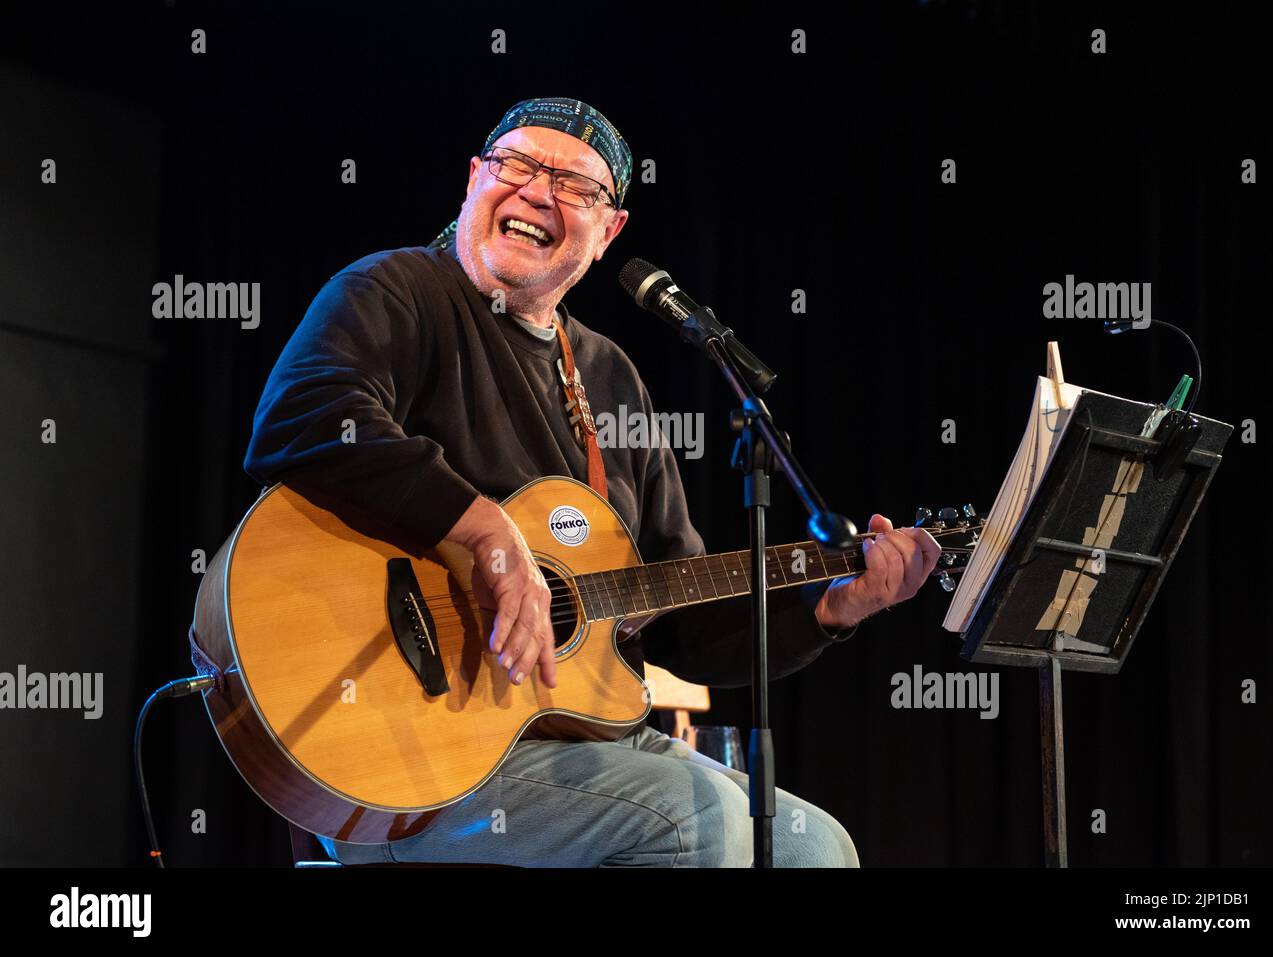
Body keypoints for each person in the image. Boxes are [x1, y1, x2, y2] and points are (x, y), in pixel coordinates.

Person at [244, 97, 940, 867]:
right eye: (515, 164)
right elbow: (304, 417)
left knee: (820, 851)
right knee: (699, 828)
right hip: (414, 750)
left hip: (580, 740)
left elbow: (688, 625)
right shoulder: (396, 290)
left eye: (576, 185)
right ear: (475, 178)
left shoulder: (609, 377)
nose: (537, 192)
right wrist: (485, 534)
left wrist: (833, 605)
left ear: (609, 232)